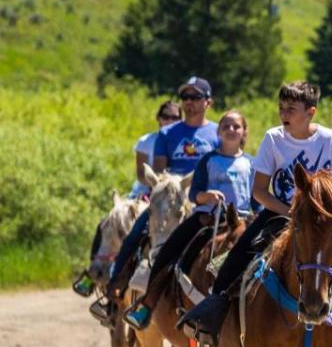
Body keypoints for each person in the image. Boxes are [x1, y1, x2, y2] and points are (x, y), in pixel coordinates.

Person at [178, 81, 332, 347]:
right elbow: (260, 191)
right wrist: (291, 213)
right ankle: (215, 310)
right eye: (281, 107)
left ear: (310, 112)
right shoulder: (273, 138)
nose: (283, 113)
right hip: (280, 213)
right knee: (238, 256)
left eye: (291, 109)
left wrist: (317, 216)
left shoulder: (330, 140)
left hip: (322, 219)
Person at [122, 109, 254, 330]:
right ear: (219, 132)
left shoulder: (251, 163)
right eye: (226, 126)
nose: (231, 130)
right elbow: (194, 194)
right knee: (171, 251)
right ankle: (147, 304)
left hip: (241, 221)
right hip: (208, 218)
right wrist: (207, 196)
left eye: (236, 126)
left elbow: (257, 199)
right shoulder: (207, 160)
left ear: (244, 132)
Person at [105, 77, 219, 301]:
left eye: (195, 97)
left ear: (208, 102)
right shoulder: (167, 134)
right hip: (172, 198)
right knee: (135, 235)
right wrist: (176, 186)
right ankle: (115, 287)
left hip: (204, 198)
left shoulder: (218, 132)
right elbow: (159, 173)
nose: (189, 101)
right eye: (185, 97)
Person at [73, 101, 181, 300]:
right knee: (107, 223)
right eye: (166, 116)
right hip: (144, 191)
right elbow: (141, 173)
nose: (170, 120)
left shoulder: (180, 142)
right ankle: (92, 274)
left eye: (175, 117)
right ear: (158, 118)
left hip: (169, 197)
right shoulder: (146, 141)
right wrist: (154, 187)